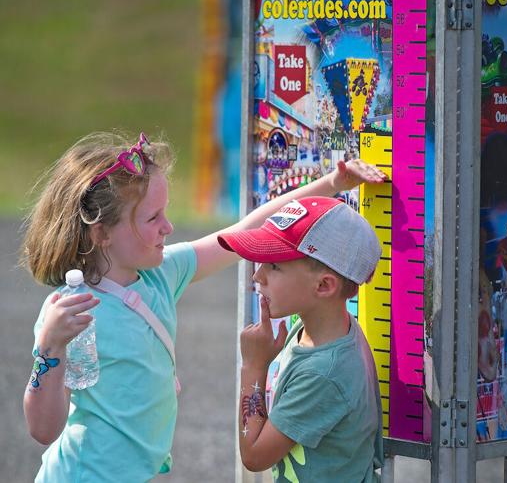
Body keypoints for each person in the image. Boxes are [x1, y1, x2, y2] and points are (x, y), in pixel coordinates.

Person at [20, 131, 385, 482]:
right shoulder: (71, 312)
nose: (169, 226)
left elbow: (249, 229)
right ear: (102, 233)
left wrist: (330, 186)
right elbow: (43, 428)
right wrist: (50, 347)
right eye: (153, 218)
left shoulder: (160, 275)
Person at [217, 196, 383, 482]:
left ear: (324, 285)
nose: (258, 275)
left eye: (275, 266)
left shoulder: (325, 373)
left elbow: (254, 456)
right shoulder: (318, 328)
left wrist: (253, 367)